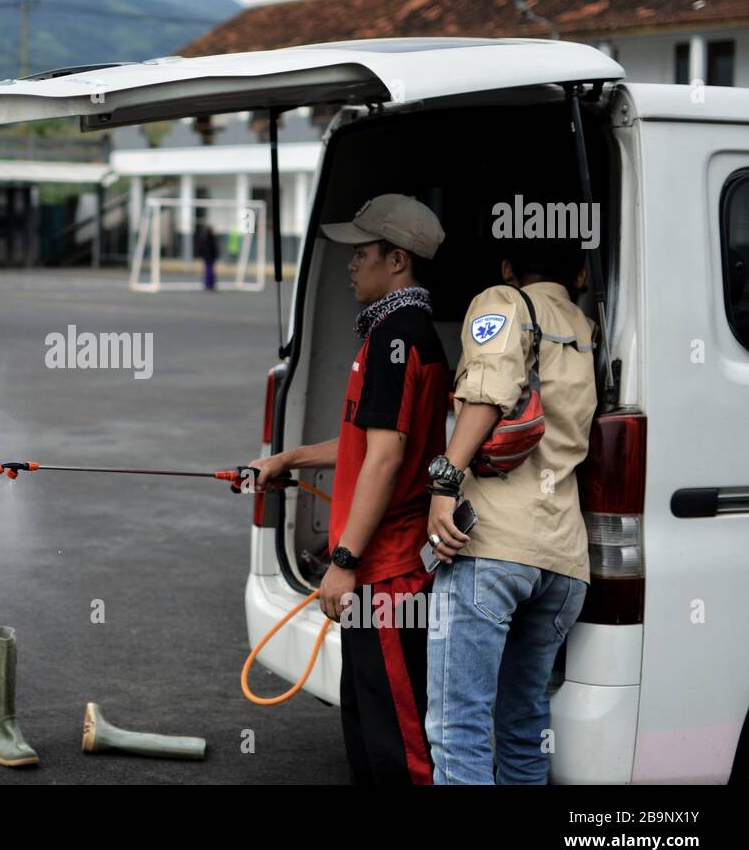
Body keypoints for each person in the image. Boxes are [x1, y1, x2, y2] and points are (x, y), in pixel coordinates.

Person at [251, 193, 450, 784]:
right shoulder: (397, 332)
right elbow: (368, 446)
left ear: (397, 260)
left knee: (400, 738)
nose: (350, 264)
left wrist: (343, 561)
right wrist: (289, 458)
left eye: (361, 253)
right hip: (376, 567)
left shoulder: (397, 337)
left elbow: (386, 460)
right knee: (366, 722)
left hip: (386, 570)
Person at [424, 243, 594, 785]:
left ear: (506, 266)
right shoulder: (592, 329)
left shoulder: (504, 301)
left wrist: (444, 483)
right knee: (523, 728)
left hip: (492, 551)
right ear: (582, 272)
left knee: (460, 732)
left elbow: (488, 393)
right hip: (564, 560)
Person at [193, 213, 219, 290]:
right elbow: (212, 249)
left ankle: (209, 284)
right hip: (209, 257)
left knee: (209, 271)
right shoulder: (209, 239)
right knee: (209, 271)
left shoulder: (207, 239)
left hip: (209, 257)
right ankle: (209, 284)